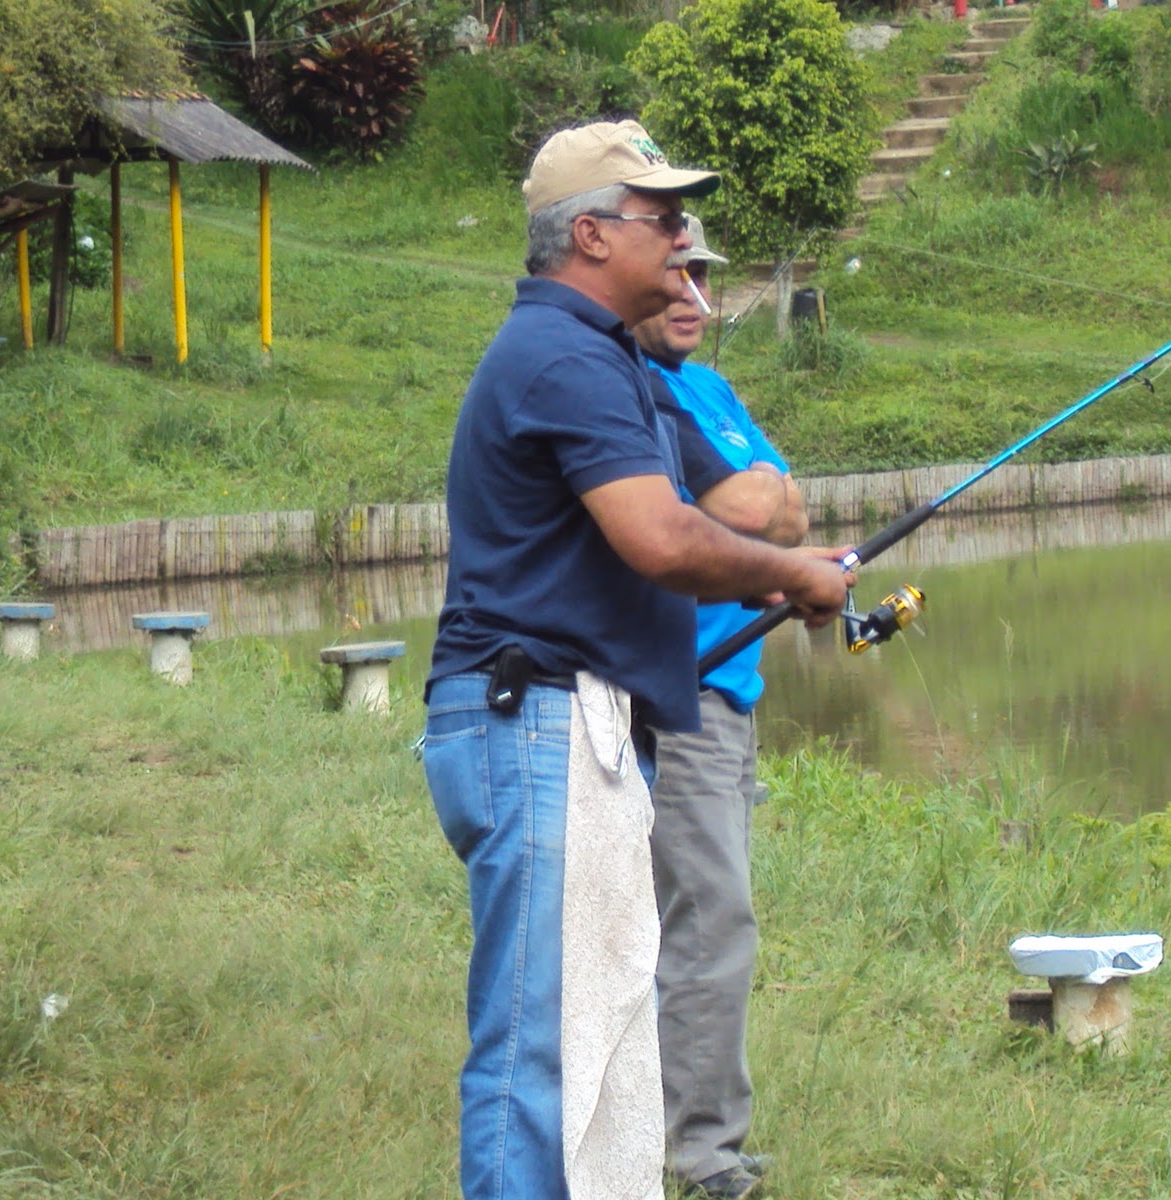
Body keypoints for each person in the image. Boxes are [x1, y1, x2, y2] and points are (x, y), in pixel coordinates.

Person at [422, 120, 853, 1200]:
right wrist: (794, 575)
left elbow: (653, 542)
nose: (680, 241)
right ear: (588, 234)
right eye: (659, 219)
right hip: (535, 721)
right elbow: (661, 539)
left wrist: (757, 570)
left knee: (605, 1023)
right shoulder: (561, 354)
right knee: (540, 1039)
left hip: (585, 723)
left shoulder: (606, 359)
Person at [634, 216, 805, 1200]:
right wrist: (755, 505)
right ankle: (699, 1157)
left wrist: (762, 504)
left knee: (708, 915)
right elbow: (731, 515)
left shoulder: (712, 387)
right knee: (710, 917)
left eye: (704, 275)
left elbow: (785, 504)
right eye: (678, 275)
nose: (695, 296)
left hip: (735, 688)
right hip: (680, 693)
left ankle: (704, 1138)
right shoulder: (639, 388)